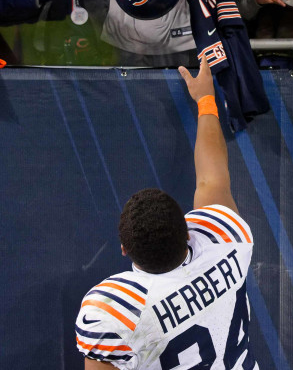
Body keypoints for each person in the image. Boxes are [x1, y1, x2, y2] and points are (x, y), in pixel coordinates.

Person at [76, 54, 255, 368]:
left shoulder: (115, 311)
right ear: (187, 232)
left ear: (124, 249)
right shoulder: (226, 241)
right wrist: (206, 100)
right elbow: (212, 177)